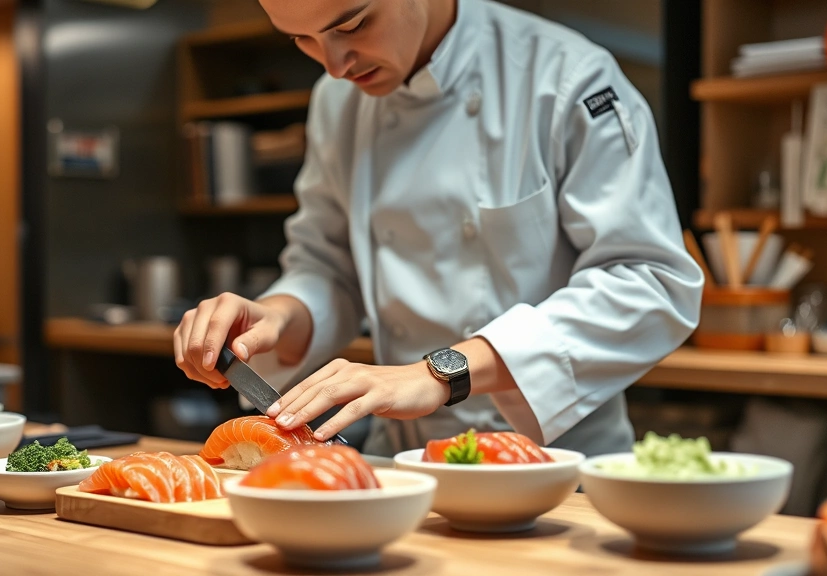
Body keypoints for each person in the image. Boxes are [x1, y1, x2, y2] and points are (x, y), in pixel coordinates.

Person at [174, 0, 703, 457]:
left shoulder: (566, 77)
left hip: (556, 467)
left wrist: (438, 374)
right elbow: (326, 267)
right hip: (404, 461)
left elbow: (649, 280)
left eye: (353, 25)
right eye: (302, 39)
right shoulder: (338, 103)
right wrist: (280, 316)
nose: (334, 65)